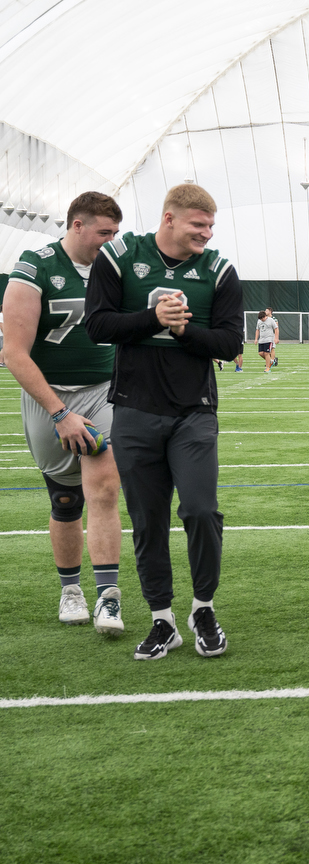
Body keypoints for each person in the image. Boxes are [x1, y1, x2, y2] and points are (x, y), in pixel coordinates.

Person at [85, 183, 245, 661]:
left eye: (211, 225)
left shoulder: (219, 271)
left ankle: (203, 608)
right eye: (199, 224)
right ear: (170, 218)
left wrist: (183, 329)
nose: (207, 233)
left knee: (200, 510)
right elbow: (98, 326)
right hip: (134, 407)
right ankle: (162, 619)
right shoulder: (118, 257)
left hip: (194, 410)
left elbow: (229, 344)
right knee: (147, 520)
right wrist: (154, 318)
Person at [4, 192, 126, 634]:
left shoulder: (116, 265)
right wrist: (59, 414)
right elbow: (14, 352)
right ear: (77, 226)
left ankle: (108, 596)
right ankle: (70, 589)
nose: (110, 240)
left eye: (115, 232)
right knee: (66, 500)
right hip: (48, 394)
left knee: (106, 487)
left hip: (104, 388)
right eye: (103, 232)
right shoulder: (37, 265)